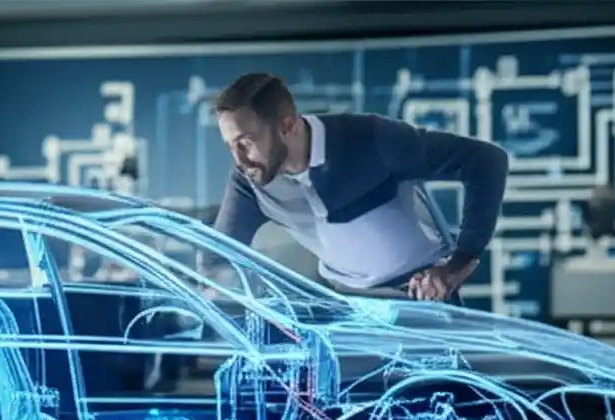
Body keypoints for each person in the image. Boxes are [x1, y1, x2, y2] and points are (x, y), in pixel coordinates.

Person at [211, 72, 510, 303]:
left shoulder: (372, 139)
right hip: (344, 308)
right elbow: (216, 258)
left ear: (287, 126)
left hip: (420, 300)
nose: (238, 159)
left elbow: (486, 160)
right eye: (229, 146)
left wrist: (459, 262)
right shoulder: (249, 182)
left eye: (246, 143)